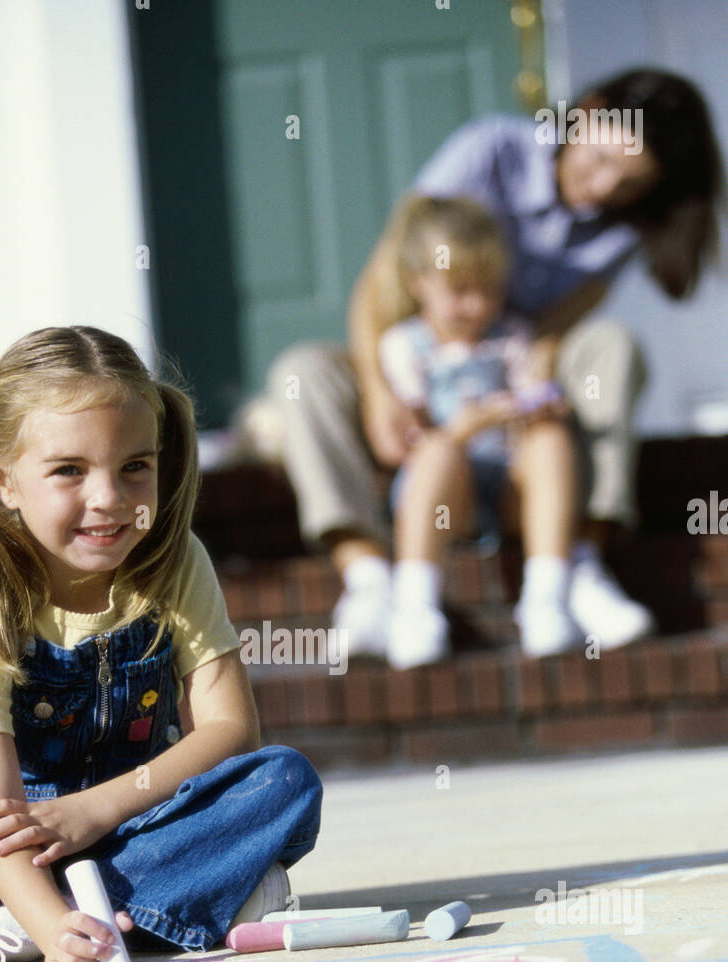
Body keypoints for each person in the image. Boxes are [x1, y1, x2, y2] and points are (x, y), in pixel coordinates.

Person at [0, 326, 322, 962]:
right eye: (68, 471)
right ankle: (101, 915)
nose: (108, 499)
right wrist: (52, 931)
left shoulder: (174, 564)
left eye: (134, 466)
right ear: (3, 481)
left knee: (280, 781)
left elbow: (230, 728)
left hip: (131, 821)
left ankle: (17, 922)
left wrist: (92, 810)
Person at [262, 67, 725, 657]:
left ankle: (579, 559)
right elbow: (382, 280)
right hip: (415, 362)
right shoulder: (490, 151)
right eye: (601, 162)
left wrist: (535, 370)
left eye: (630, 184)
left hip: (510, 390)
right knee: (302, 373)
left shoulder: (624, 229)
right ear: (585, 112)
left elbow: (561, 326)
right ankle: (370, 578)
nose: (606, 189)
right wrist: (381, 395)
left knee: (612, 346)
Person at [377, 194, 581, 667]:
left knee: (549, 440)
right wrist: (466, 427)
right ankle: (415, 608)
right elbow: (414, 435)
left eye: (488, 290)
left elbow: (531, 391)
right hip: (447, 498)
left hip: (509, 491)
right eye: (461, 289)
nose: (477, 305)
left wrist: (541, 404)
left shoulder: (510, 338)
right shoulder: (405, 346)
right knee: (440, 449)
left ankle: (547, 599)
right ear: (418, 283)